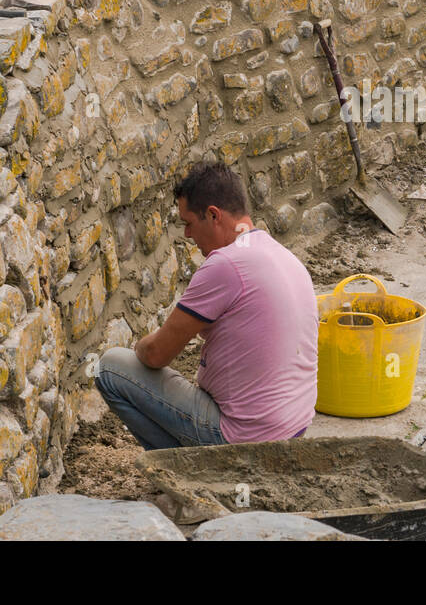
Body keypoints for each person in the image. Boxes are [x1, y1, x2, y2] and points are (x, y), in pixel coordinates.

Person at [94, 162, 318, 448]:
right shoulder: (284, 257)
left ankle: (182, 470)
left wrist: (140, 345)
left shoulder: (225, 264)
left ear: (213, 215)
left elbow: (156, 355)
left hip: (244, 439)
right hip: (293, 430)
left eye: (189, 223)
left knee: (109, 368)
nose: (187, 235)